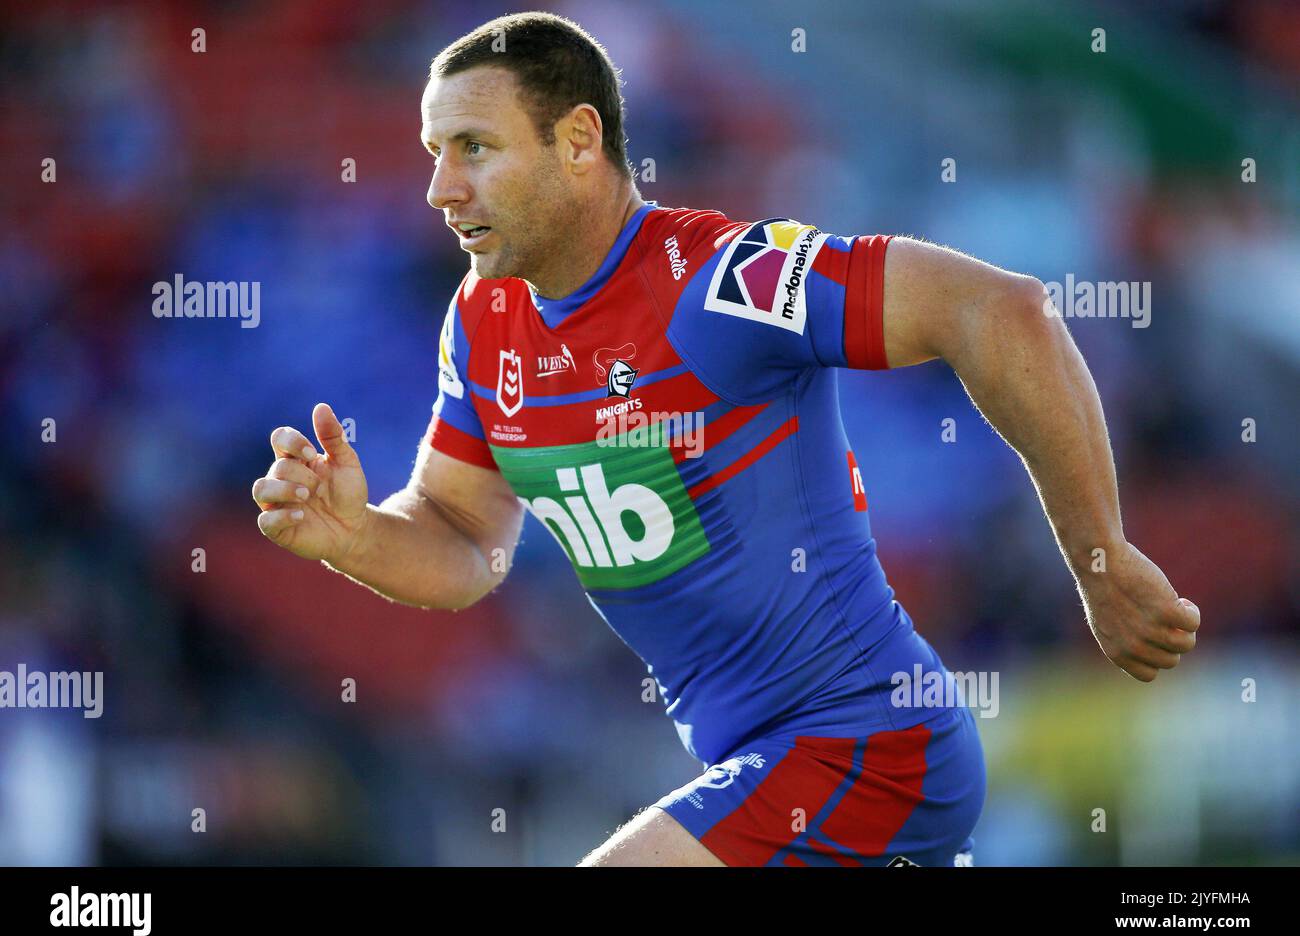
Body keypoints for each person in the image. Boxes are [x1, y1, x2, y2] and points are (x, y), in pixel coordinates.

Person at [251, 12, 1199, 867]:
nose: (439, 187)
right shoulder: (483, 319)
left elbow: (1000, 310)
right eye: (434, 152)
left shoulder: (718, 278)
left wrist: (1101, 559)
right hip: (760, 770)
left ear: (578, 141)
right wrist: (356, 536)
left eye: (474, 147)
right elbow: (463, 538)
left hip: (872, 748)